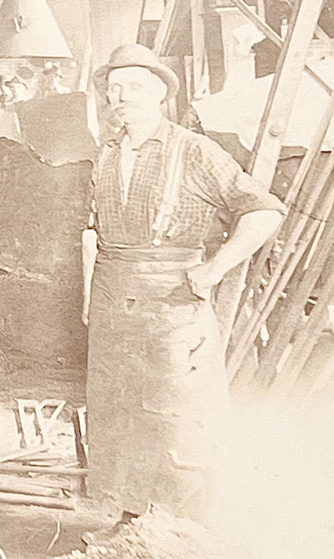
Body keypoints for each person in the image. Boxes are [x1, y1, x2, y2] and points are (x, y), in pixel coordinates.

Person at [83, 45, 284, 523]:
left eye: (133, 86)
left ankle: (182, 532)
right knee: (117, 416)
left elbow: (265, 210)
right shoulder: (106, 154)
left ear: (158, 94)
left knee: (175, 420)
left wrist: (214, 270)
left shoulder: (195, 150)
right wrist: (87, 299)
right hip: (113, 303)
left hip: (172, 307)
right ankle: (130, 526)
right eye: (113, 87)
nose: (120, 96)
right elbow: (90, 231)